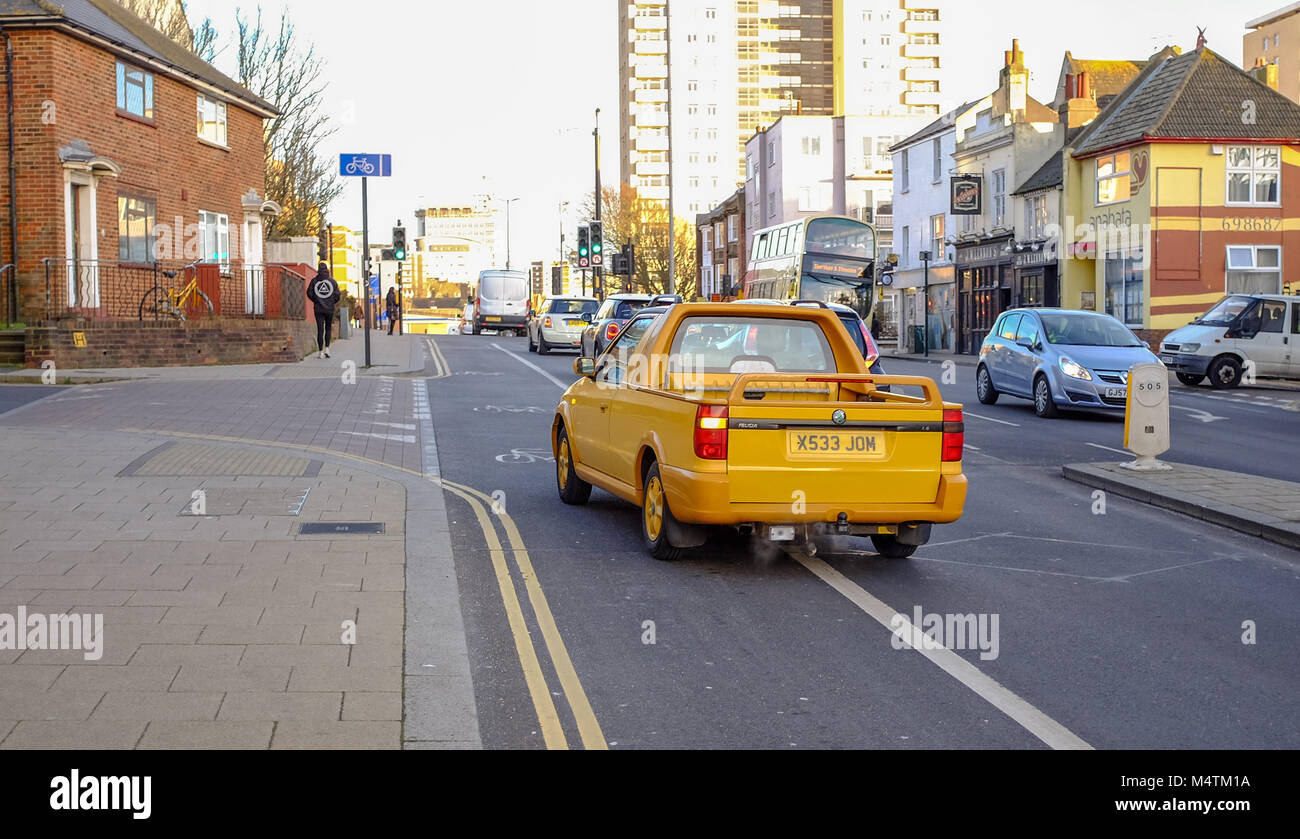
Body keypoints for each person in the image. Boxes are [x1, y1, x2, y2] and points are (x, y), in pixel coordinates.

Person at [306, 262, 340, 359]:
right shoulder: (332, 282)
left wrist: (316, 300)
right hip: (329, 309)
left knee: (320, 330)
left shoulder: (314, 281)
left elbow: (309, 293)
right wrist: (331, 302)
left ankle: (320, 351)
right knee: (328, 328)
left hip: (318, 309)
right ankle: (327, 349)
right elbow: (337, 295)